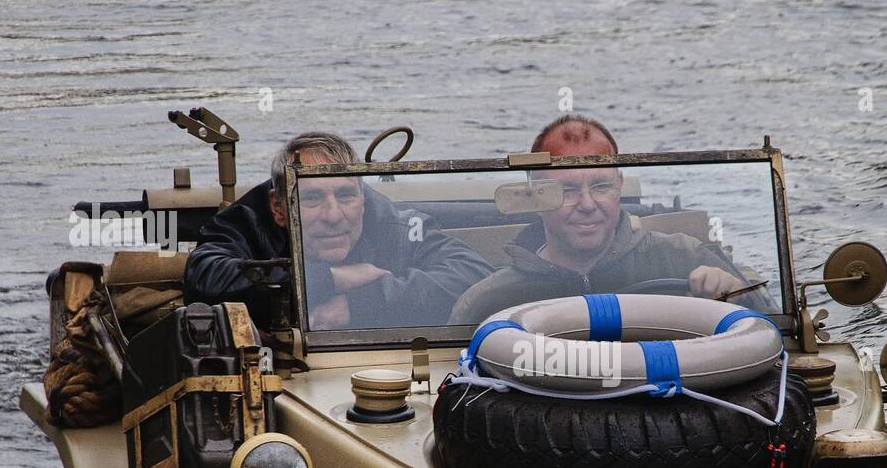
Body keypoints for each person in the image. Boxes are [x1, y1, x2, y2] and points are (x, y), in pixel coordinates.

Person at [449, 116, 752, 324]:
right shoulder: (488, 302)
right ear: (537, 196)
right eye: (567, 190)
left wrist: (735, 297)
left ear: (619, 184)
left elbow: (768, 332)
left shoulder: (683, 258)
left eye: (601, 186)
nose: (587, 205)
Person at [185, 131, 492, 330]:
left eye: (345, 196)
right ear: (279, 208)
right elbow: (204, 278)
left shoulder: (396, 225)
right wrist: (330, 279)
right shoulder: (248, 223)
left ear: (362, 198)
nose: (333, 215)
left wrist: (360, 305)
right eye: (312, 198)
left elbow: (474, 276)